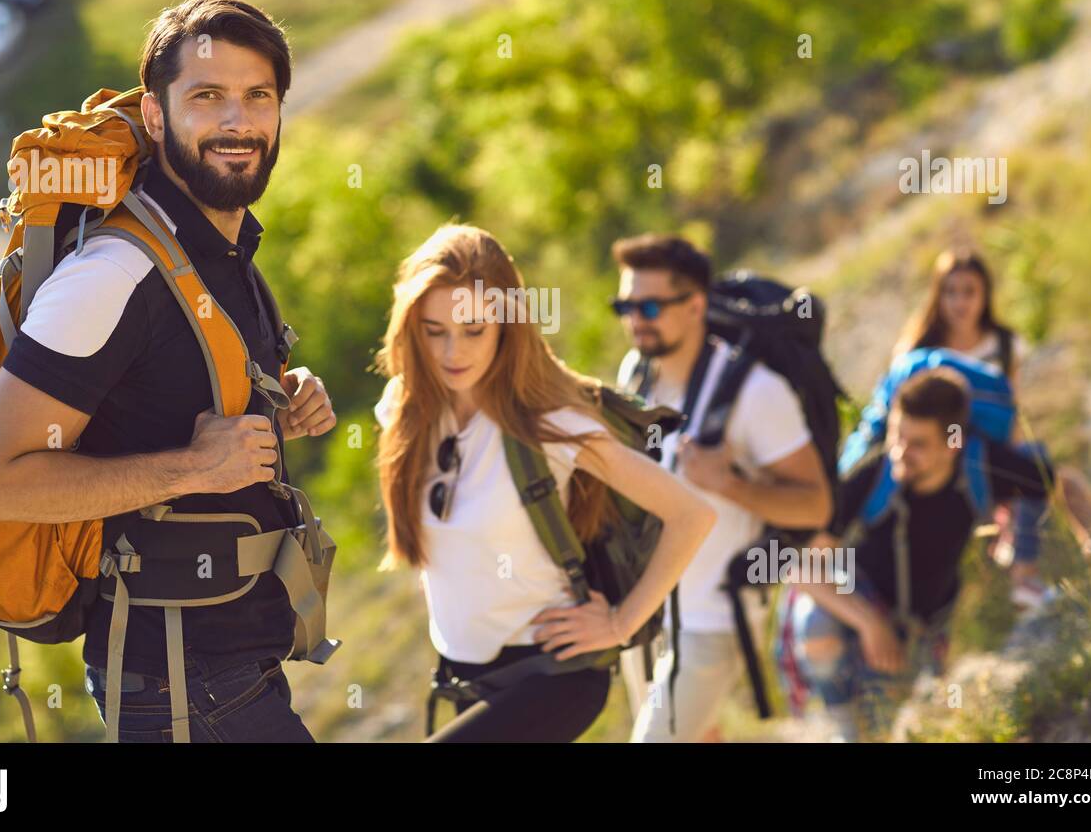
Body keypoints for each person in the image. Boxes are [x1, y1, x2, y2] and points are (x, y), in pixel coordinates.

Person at [0, 0, 337, 742]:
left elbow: (176, 393)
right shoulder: (116, 272)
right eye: (207, 97)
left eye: (257, 96)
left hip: (230, 674)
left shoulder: (217, 248)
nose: (237, 121)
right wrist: (193, 469)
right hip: (180, 689)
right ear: (157, 117)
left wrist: (279, 399)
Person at [373, 224, 714, 743]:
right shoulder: (405, 407)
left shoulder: (551, 423)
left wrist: (621, 624)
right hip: (467, 675)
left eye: (473, 330)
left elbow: (692, 514)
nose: (451, 352)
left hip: (554, 674)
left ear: (507, 325)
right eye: (434, 330)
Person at [610, 235, 832, 742]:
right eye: (625, 305)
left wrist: (728, 483)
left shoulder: (755, 393)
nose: (634, 319)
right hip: (645, 617)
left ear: (695, 306)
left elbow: (814, 503)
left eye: (648, 306)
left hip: (714, 623)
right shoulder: (635, 375)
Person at [779, 369, 1055, 740]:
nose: (900, 452)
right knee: (817, 627)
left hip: (923, 625)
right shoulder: (874, 475)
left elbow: (1044, 477)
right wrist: (868, 624)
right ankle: (840, 725)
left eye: (918, 444)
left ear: (953, 443)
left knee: (889, 727)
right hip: (860, 604)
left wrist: (1023, 562)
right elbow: (801, 569)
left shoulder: (983, 465)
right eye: (896, 435)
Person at [894, 248, 1091, 610]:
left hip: (991, 452)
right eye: (951, 291)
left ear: (985, 295)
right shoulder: (920, 351)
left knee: (1053, 476)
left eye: (969, 291)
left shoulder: (1004, 345)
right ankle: (1022, 578)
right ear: (937, 295)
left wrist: (1009, 474)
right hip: (937, 458)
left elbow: (1010, 413)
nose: (960, 301)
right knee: (1034, 469)